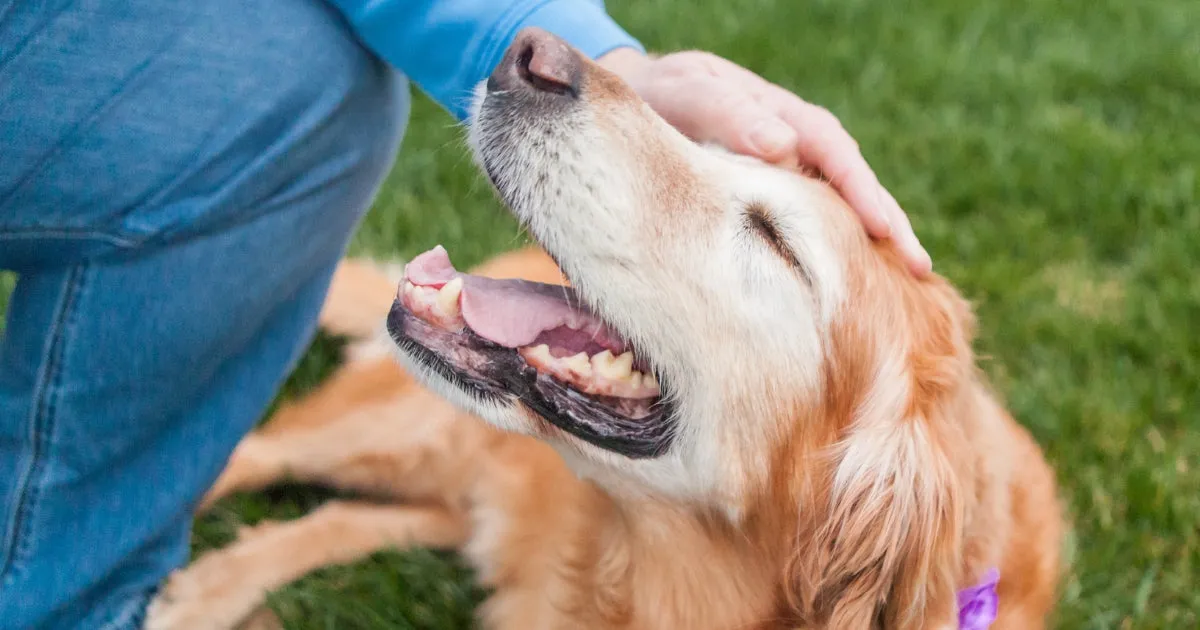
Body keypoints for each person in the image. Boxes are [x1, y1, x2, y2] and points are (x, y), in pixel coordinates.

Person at [0, 0, 929, 627]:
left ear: (850, 503)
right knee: (308, 87)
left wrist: (612, 61)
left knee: (307, 77)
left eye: (770, 245)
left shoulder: (882, 507)